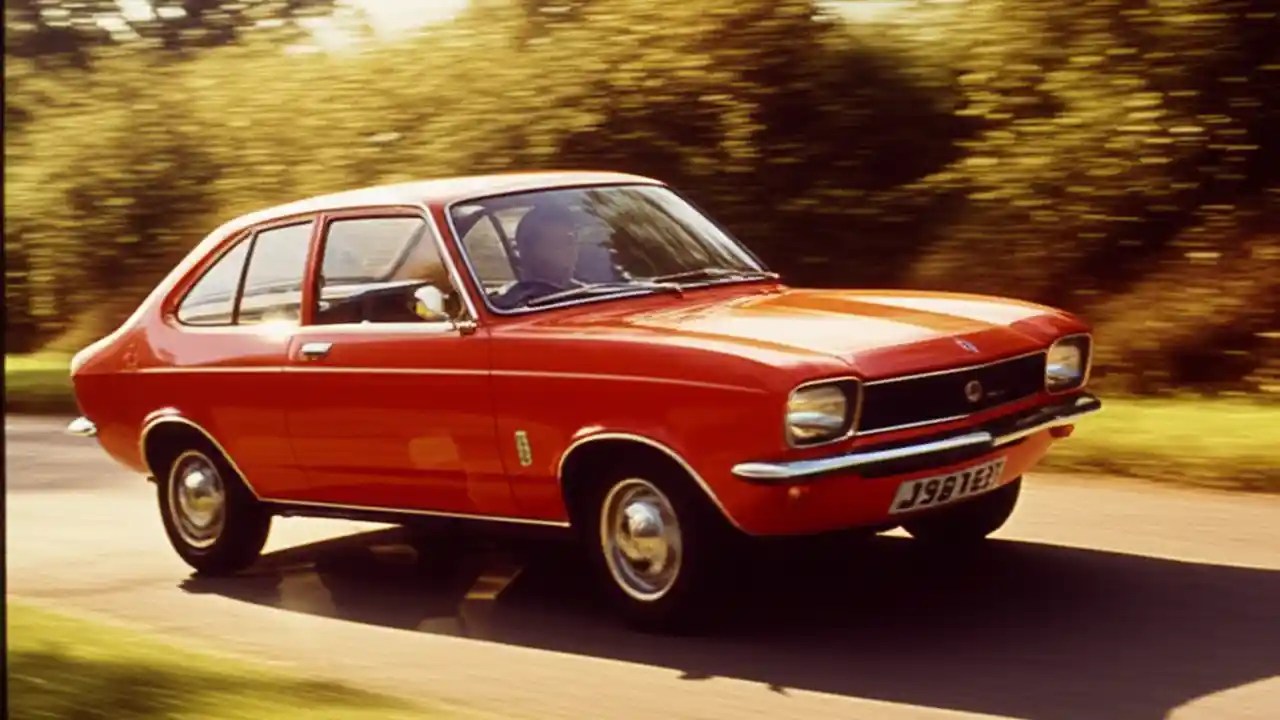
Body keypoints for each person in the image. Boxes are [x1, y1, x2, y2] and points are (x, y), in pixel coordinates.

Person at [493, 204, 584, 309]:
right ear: (527, 252)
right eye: (555, 244)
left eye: (570, 241)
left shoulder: (594, 294)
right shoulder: (510, 306)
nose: (570, 251)